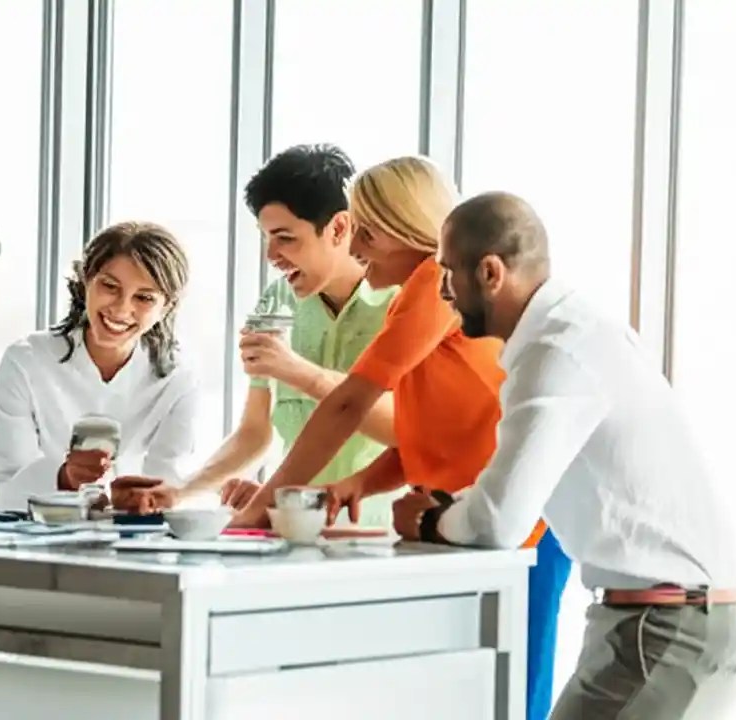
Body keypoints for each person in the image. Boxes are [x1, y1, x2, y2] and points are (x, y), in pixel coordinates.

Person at [393, 191, 736, 719]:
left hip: (669, 630)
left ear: (491, 272)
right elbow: (515, 486)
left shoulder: (554, 353)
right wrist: (454, 508)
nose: (443, 290)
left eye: (448, 272)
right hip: (680, 621)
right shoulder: (573, 333)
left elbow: (501, 520)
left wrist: (429, 521)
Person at [229, 156, 566, 720]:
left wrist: (261, 508)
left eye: (368, 230)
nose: (355, 244)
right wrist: (360, 480)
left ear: (410, 228)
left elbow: (348, 403)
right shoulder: (416, 297)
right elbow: (434, 433)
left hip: (523, 524)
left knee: (509, 702)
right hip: (462, 523)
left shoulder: (433, 287)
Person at [126, 144, 401, 526]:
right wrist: (183, 492)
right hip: (293, 531)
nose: (270, 255)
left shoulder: (401, 302)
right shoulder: (277, 303)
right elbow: (255, 433)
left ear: (339, 228)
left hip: (382, 537)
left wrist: (295, 370)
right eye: (266, 238)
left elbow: (410, 432)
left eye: (285, 238)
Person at [0, 220, 198, 511]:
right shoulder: (26, 361)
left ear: (167, 306)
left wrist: (140, 503)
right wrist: (65, 477)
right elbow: (8, 493)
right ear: (86, 280)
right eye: (110, 286)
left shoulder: (178, 378)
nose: (122, 308)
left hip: (133, 543)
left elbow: (170, 487)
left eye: (144, 297)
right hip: (38, 539)